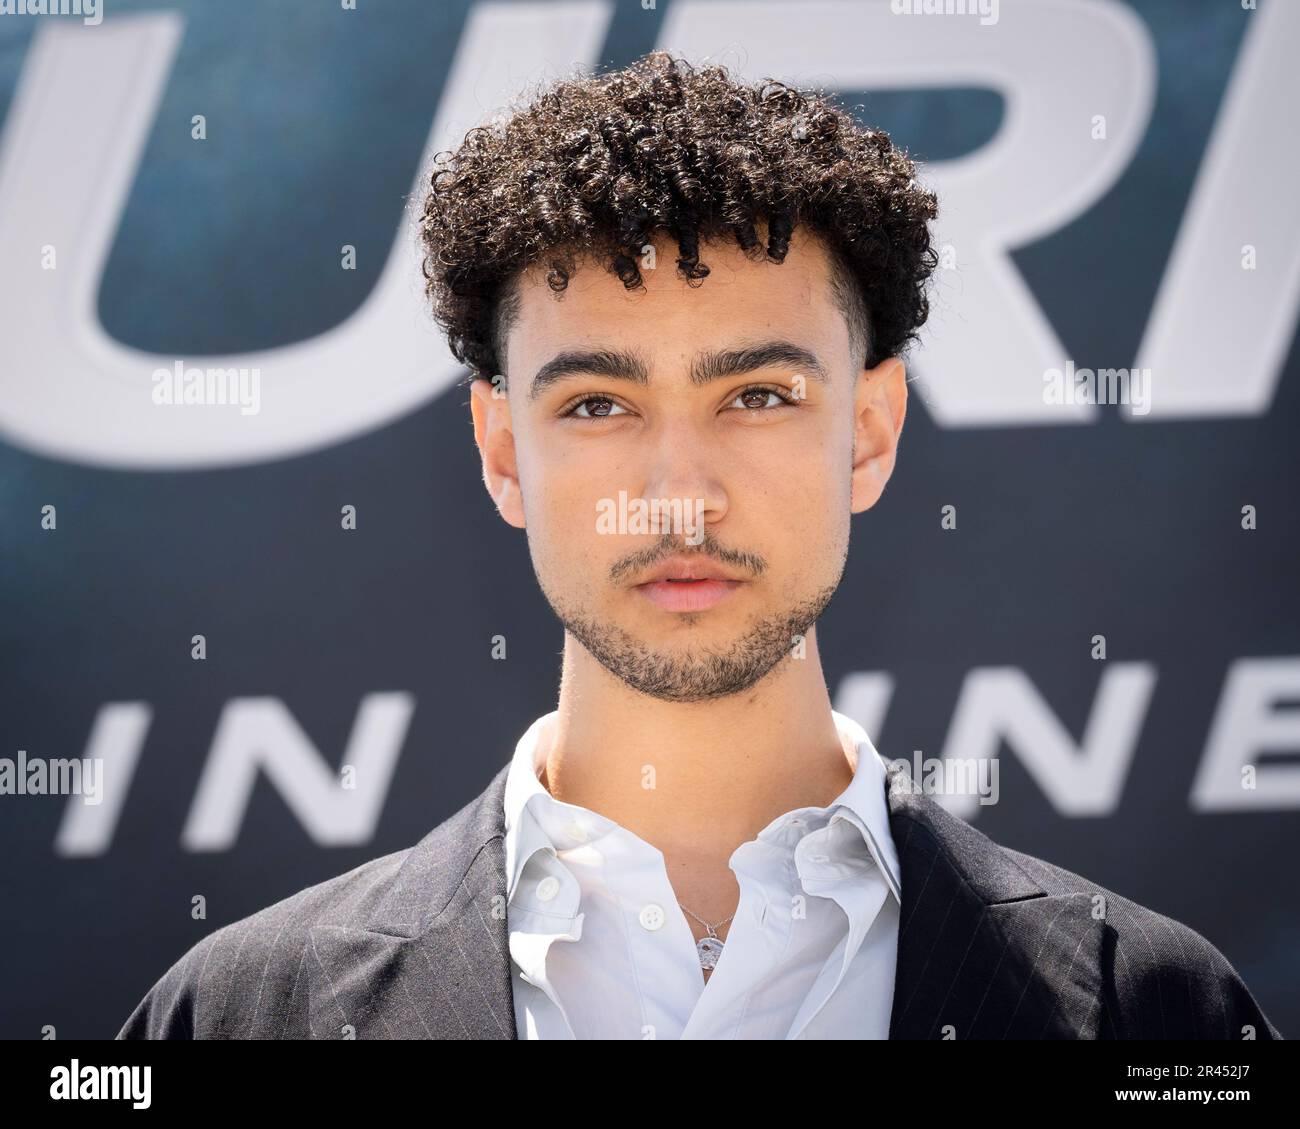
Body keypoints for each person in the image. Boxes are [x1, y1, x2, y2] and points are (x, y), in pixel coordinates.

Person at [117, 50, 1281, 1040]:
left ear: (868, 432)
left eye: (759, 396)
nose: (679, 495)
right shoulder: (234, 1013)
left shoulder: (1160, 1010)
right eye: (596, 406)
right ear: (503, 450)